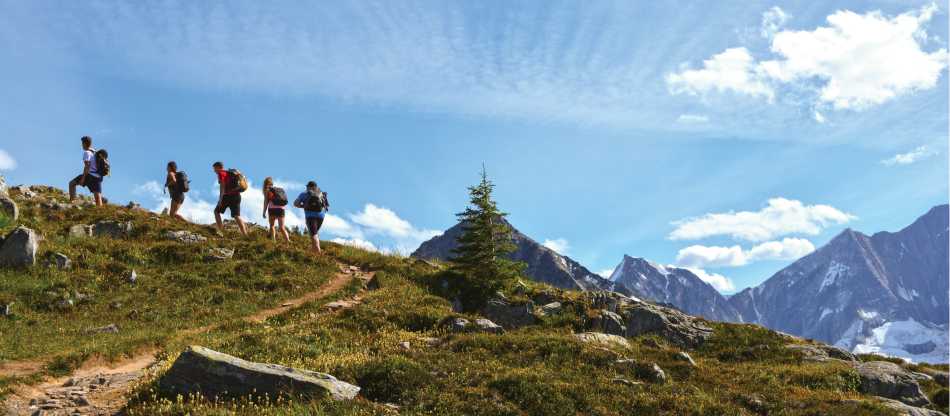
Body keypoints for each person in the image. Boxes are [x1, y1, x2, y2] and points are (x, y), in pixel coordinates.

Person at [212, 161, 248, 236]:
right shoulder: (230, 173)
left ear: (218, 167)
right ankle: (245, 235)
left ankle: (221, 231)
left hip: (227, 196)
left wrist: (220, 199)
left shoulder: (221, 173)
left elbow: (222, 186)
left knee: (216, 212)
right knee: (237, 216)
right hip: (237, 195)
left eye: (214, 169)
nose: (214, 171)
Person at [294, 181, 329, 254]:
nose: (306, 188)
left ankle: (318, 254)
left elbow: (295, 204)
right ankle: (314, 252)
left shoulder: (304, 194)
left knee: (313, 235)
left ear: (309, 187)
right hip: (321, 217)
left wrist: (304, 206)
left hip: (310, 216)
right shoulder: (322, 194)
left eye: (307, 186)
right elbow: (326, 206)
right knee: (314, 234)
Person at [68, 136, 104, 206]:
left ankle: (73, 203)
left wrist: (83, 179)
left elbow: (87, 166)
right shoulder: (95, 152)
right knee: (97, 196)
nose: (82, 145)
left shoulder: (87, 152)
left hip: (90, 175)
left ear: (84, 143)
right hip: (98, 177)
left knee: (71, 184)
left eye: (82, 143)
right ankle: (100, 211)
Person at [261, 177, 291, 243]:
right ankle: (288, 241)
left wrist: (264, 212)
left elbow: (266, 202)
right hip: (281, 209)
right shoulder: (278, 190)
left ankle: (273, 241)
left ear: (265, 183)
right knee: (282, 227)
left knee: (272, 226)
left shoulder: (267, 190)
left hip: (272, 209)